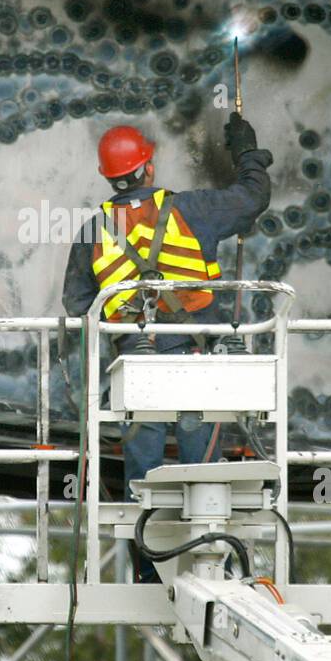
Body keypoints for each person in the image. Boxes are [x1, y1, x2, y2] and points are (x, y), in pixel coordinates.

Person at [62, 114, 272, 579]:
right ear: (149, 169)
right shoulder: (191, 210)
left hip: (135, 369)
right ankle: (210, 555)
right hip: (198, 358)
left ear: (110, 178)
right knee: (203, 471)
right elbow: (254, 197)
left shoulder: (92, 232)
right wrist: (247, 152)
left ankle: (147, 566)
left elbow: (78, 304)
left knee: (145, 479)